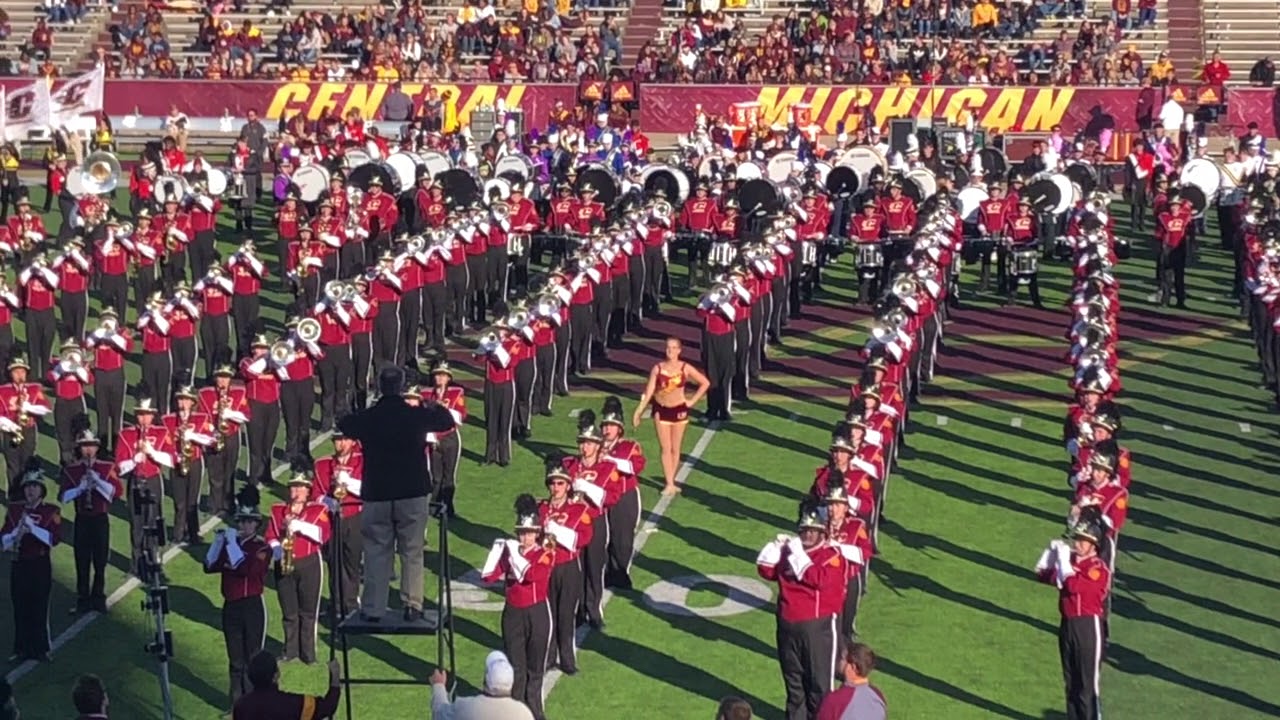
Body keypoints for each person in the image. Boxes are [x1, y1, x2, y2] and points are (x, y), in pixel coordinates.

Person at [336, 365, 454, 622]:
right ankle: (413, 604)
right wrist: (431, 405)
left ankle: (373, 608)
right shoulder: (413, 415)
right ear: (401, 387)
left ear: (379, 387)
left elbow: (344, 423)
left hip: (377, 492)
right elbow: (446, 421)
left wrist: (352, 408)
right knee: (412, 550)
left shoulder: (370, 416)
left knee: (377, 550)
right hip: (411, 491)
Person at [757, 500, 847, 720]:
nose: (807, 536)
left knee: (819, 686)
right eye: (804, 531)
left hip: (817, 628)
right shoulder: (791, 552)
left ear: (822, 532)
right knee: (794, 686)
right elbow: (766, 570)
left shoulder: (832, 556)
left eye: (813, 532)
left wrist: (797, 554)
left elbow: (817, 579)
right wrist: (775, 548)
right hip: (787, 626)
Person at [481, 496, 552, 720]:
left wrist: (514, 554)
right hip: (513, 613)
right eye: (522, 532)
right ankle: (517, 711)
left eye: (529, 532)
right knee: (516, 668)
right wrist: (497, 551)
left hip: (537, 613)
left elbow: (531, 575)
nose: (525, 537)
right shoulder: (511, 552)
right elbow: (488, 576)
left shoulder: (545, 553)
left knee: (535, 668)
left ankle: (536, 711)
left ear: (537, 533)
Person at [1035, 519, 1110, 720]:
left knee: (1087, 686)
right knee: (1071, 683)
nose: (1077, 544)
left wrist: (1064, 562)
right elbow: (1042, 575)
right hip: (1067, 624)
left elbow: (1074, 586)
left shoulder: (1098, 568)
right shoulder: (1070, 561)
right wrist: (1049, 556)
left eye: (1083, 540)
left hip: (1087, 626)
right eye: (1076, 539)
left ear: (1093, 545)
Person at [205, 486, 271, 705]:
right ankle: (236, 706)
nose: (243, 525)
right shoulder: (231, 543)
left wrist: (232, 544)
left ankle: (253, 706)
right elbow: (209, 565)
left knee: (253, 660)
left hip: (252, 607)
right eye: (240, 521)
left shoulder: (262, 548)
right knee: (235, 661)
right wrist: (217, 543)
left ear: (256, 523)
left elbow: (244, 569)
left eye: (248, 521)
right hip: (231, 606)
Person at [265, 468, 330, 665]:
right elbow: (270, 536)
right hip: (285, 562)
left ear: (308, 491)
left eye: (301, 488)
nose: (296, 492)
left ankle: (308, 654)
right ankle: (290, 651)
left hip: (309, 562)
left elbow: (323, 535)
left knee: (308, 612)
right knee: (289, 612)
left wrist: (299, 526)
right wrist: (278, 551)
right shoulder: (278, 511)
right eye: (293, 488)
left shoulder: (318, 511)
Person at [1, 461, 61, 663]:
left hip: (39, 563)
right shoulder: (15, 510)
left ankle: (41, 648)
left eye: (34, 487)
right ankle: (22, 648)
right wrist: (16, 533)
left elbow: (54, 539)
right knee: (20, 605)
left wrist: (32, 529)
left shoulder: (50, 511)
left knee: (39, 606)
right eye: (28, 487)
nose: (30, 491)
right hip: (20, 563)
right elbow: (3, 539)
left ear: (41, 490)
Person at [633, 337, 709, 495]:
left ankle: (671, 480)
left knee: (676, 448)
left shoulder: (685, 368)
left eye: (674, 348)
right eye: (668, 347)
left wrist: (691, 402)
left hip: (679, 410)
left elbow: (705, 383)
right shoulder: (658, 368)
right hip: (661, 410)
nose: (671, 350)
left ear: (679, 350)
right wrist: (638, 411)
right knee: (665, 448)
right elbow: (649, 393)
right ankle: (669, 483)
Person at [58, 430, 121, 615]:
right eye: (85, 446)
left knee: (100, 560)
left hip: (100, 518)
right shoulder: (72, 470)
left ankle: (99, 596)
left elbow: (115, 493)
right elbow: (63, 497)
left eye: (91, 446)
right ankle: (83, 598)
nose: (88, 449)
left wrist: (97, 482)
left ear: (96, 448)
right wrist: (82, 487)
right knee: (82, 560)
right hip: (82, 519)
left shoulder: (106, 467)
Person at [599, 396, 645, 590]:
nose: (607, 429)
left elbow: (635, 466)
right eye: (605, 425)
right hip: (603, 498)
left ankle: (621, 572)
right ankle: (608, 571)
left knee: (622, 537)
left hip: (625, 497)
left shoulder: (629, 446)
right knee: (605, 537)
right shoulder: (595, 446)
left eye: (611, 425)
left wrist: (609, 459)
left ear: (619, 428)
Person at [232, 651, 341, 720]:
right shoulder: (295, 704)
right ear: (276, 675)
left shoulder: (241, 707)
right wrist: (335, 677)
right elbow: (328, 706)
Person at [429, 653, 535, 720]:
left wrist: (438, 686)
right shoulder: (523, 713)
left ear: (485, 680)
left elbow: (439, 713)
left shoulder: (464, 707)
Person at [815, 642, 887, 720]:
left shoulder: (835, 700)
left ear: (853, 667)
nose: (840, 662)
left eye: (843, 659)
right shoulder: (878, 696)